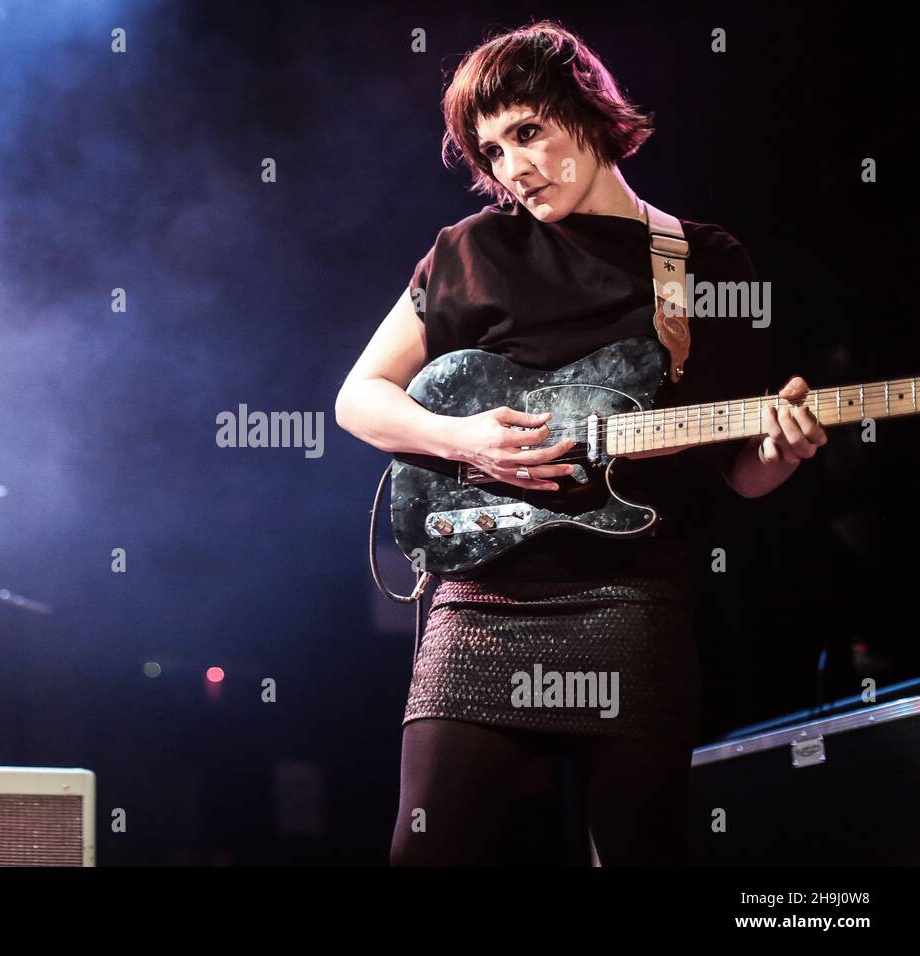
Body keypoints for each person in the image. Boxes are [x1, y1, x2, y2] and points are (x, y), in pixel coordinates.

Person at [334, 21, 827, 865]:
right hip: (479, 610)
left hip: (630, 606)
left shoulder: (702, 262)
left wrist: (782, 450)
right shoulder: (465, 252)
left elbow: (742, 472)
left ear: (588, 111)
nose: (511, 168)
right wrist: (463, 439)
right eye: (491, 152)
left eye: (527, 131)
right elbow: (358, 398)